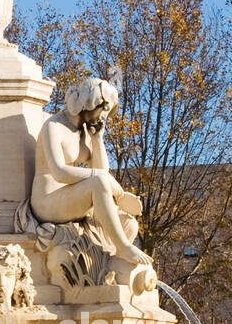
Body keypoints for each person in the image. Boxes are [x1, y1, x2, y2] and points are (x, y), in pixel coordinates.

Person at [30, 76, 149, 266]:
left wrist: (97, 140)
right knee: (99, 181)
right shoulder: (53, 126)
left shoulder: (85, 131)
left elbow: (101, 172)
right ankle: (123, 247)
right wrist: (106, 182)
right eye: (104, 110)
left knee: (129, 224)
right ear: (91, 102)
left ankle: (112, 266)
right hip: (47, 201)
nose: (104, 117)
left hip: (70, 198)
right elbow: (59, 173)